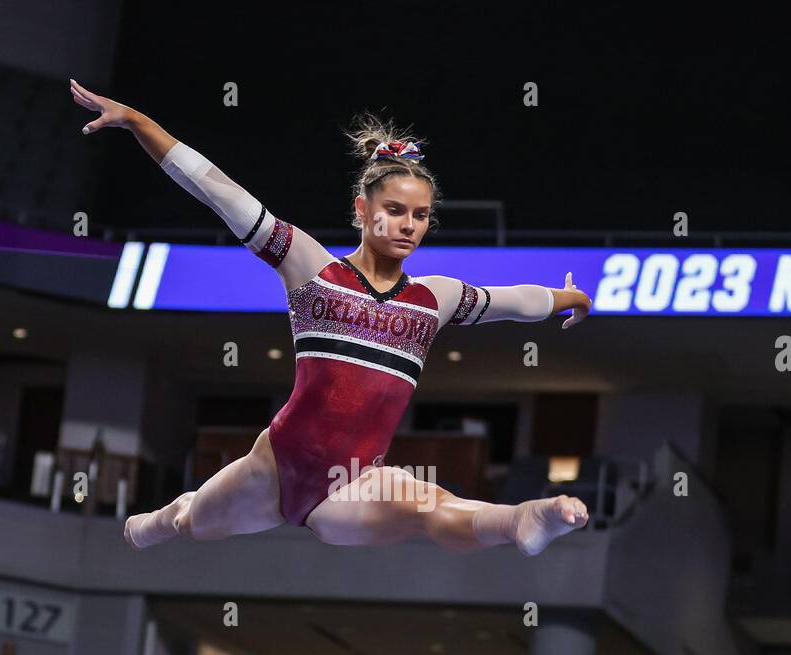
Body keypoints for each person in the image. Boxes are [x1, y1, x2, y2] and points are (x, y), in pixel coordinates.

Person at [72, 87, 593, 557]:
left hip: (352, 484)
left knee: (428, 503)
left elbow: (512, 301)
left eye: (421, 215)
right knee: (191, 519)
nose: (409, 225)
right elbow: (220, 192)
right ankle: (159, 519)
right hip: (274, 471)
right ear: (362, 209)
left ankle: (521, 519)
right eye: (395, 210)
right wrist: (139, 122)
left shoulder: (433, 298)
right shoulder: (313, 268)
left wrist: (563, 296)